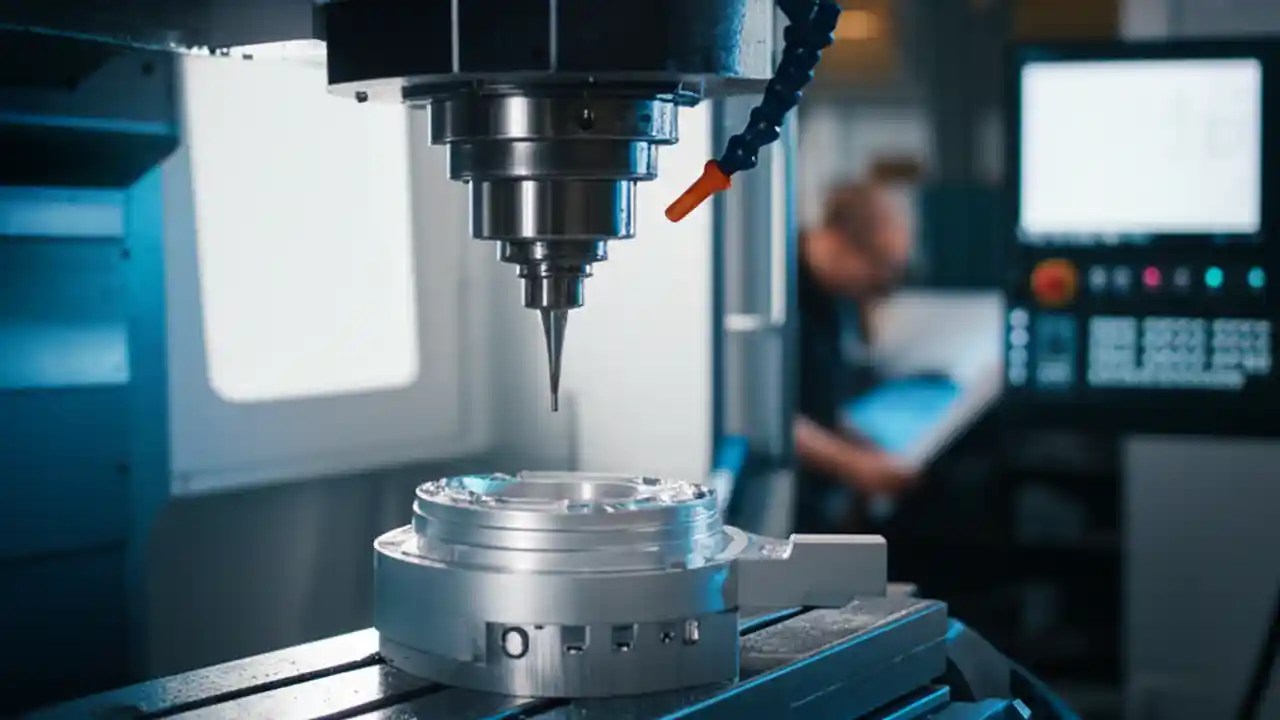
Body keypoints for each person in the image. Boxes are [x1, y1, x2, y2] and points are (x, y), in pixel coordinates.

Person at [794, 180, 918, 533]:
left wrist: (866, 449)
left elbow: (818, 406)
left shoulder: (833, 298)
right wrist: (856, 466)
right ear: (838, 241)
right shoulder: (776, 289)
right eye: (880, 266)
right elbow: (768, 418)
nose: (882, 282)